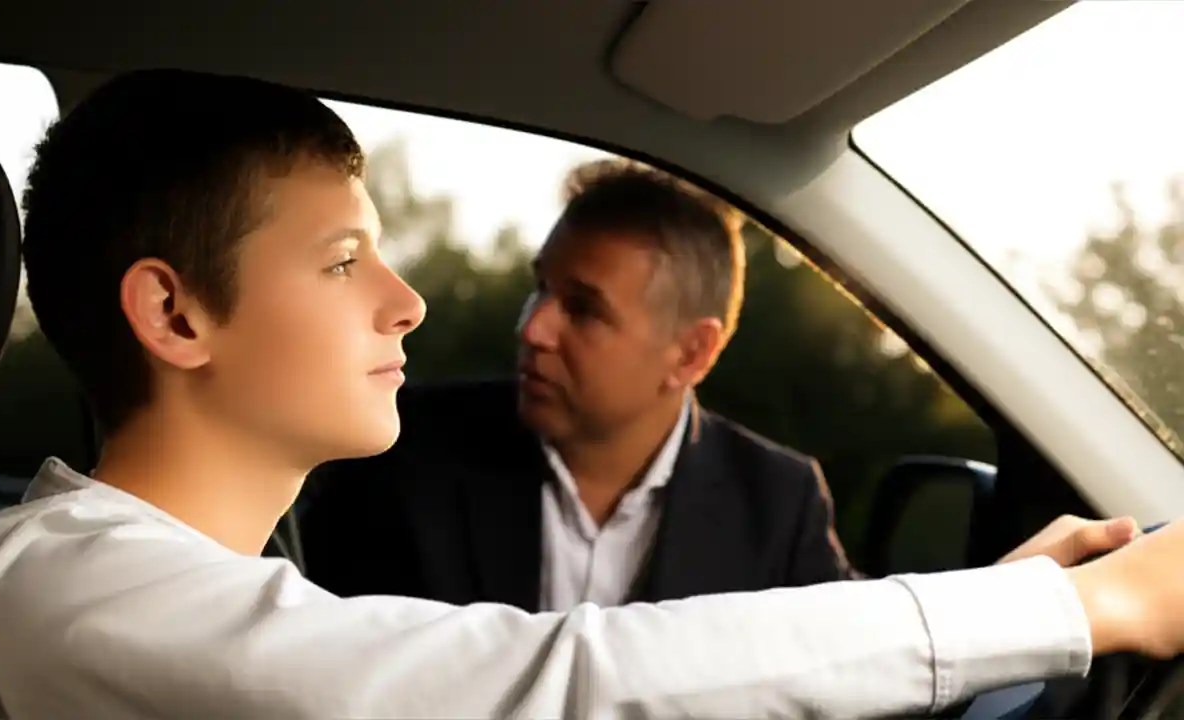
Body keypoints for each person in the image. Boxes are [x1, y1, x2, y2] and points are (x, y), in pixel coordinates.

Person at [0, 67, 1184, 720]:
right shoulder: (81, 587)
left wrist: (1003, 606)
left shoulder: (161, 578)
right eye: (342, 263)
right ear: (175, 315)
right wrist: (1081, 611)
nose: (410, 303)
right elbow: (555, 682)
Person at [301, 160, 856, 612]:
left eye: (585, 310)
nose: (533, 327)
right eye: (540, 288)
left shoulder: (778, 505)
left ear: (692, 353)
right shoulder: (404, 449)